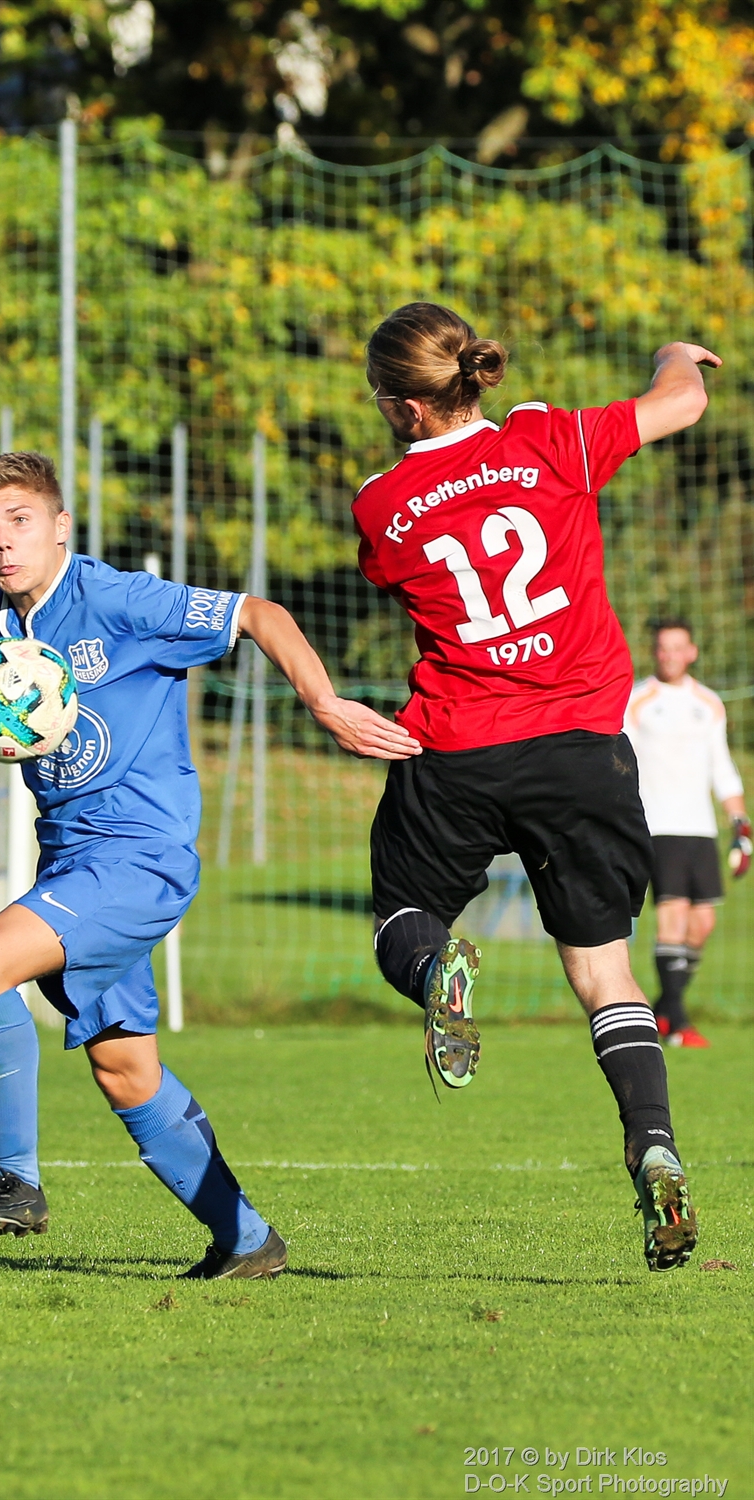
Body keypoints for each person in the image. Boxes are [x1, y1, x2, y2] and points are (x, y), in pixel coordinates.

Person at [0, 451, 418, 1280]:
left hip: (142, 858)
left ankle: (17, 1182)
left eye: (20, 520)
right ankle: (247, 1242)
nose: (0, 540)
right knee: (125, 1071)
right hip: (70, 866)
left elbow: (259, 614)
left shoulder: (118, 600)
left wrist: (324, 702)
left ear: (60, 526)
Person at [352, 300, 722, 1272]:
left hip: (457, 751)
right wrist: (675, 351)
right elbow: (678, 402)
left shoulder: (381, 506)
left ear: (400, 407)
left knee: (401, 913)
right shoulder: (551, 441)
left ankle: (441, 971)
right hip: (580, 753)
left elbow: (405, 574)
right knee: (603, 971)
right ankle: (653, 1146)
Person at [624, 619, 749, 1048]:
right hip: (658, 826)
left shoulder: (708, 702)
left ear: (692, 652)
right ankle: (678, 1025)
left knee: (703, 923)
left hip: (701, 829)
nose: (670, 655)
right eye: (663, 648)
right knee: (672, 918)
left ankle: (662, 1008)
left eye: (678, 648)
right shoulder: (638, 700)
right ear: (654, 652)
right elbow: (623, 762)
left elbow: (721, 765)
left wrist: (739, 823)